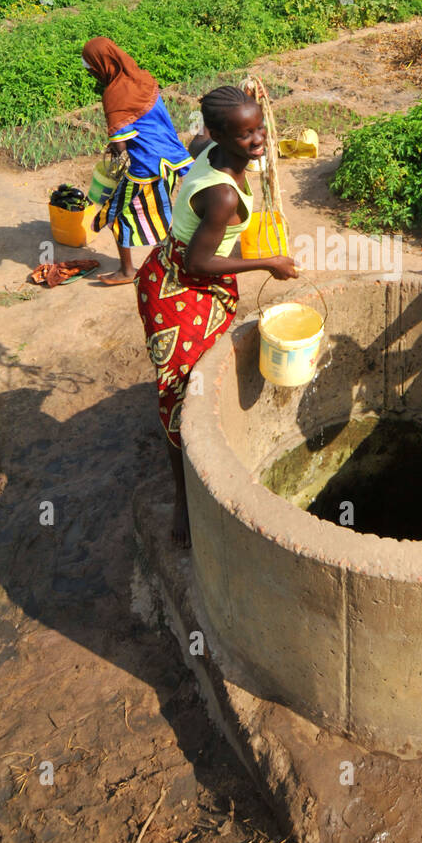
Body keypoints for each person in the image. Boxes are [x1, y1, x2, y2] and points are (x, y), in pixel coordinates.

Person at [136, 86, 298, 544]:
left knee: (201, 378)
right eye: (244, 134)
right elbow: (198, 263)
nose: (257, 140)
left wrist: (232, 122)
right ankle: (184, 504)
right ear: (220, 135)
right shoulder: (223, 196)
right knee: (177, 394)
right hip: (180, 288)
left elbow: (193, 143)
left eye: (258, 127)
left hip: (175, 272)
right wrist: (268, 262)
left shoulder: (207, 148)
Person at [81, 37, 193, 285]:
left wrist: (116, 145)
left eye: (91, 68)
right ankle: (172, 259)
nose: (92, 74)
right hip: (171, 159)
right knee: (161, 211)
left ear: (101, 65)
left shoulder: (114, 95)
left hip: (147, 166)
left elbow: (121, 146)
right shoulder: (143, 78)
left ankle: (128, 271)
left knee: (116, 216)